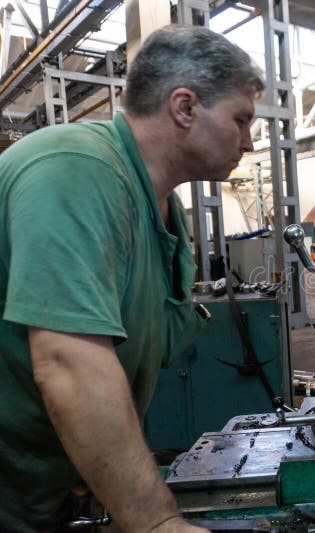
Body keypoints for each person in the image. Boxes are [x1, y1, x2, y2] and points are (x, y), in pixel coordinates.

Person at [0, 24, 263, 531]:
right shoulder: (74, 170)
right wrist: (156, 523)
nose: (249, 143)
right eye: (241, 120)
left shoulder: (162, 208)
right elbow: (67, 362)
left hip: (47, 496)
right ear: (184, 107)